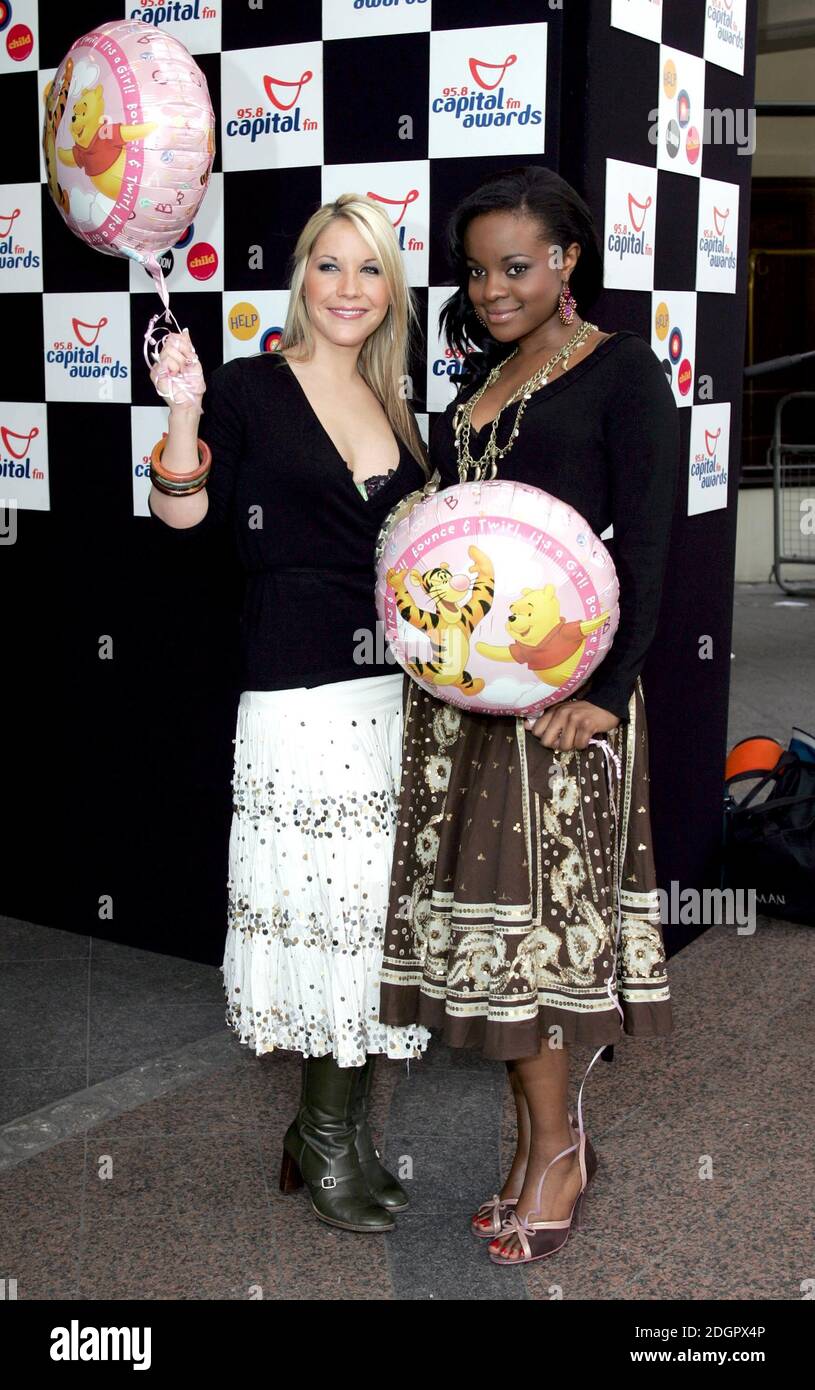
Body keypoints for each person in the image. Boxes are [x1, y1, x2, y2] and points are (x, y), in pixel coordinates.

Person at [378, 165, 680, 1264]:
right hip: (471, 711)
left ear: (567, 261)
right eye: (476, 268)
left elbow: (646, 548)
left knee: (536, 948)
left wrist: (601, 697)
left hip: (560, 707)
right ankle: (535, 1146)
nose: (493, 287)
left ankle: (555, 1148)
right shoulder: (488, 371)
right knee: (491, 944)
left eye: (516, 265)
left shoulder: (621, 375)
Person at [146, 194, 433, 1234]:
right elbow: (181, 516)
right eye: (329, 265)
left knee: (367, 924)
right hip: (299, 692)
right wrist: (179, 417)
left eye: (368, 269)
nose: (348, 288)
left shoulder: (394, 398)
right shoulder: (249, 388)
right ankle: (322, 1137)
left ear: (388, 289)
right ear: (300, 278)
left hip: (391, 692)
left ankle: (333, 1131)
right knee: (328, 919)